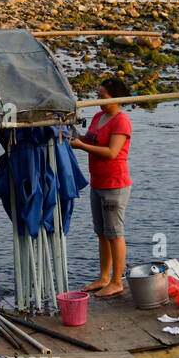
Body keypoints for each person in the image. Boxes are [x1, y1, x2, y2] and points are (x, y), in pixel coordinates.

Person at [71, 77, 133, 298]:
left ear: (116, 98)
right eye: (97, 96)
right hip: (97, 182)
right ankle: (104, 277)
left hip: (114, 184)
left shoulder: (121, 121)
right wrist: (74, 137)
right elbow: (90, 140)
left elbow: (111, 152)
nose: (99, 101)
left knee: (115, 233)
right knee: (101, 233)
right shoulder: (99, 117)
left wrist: (81, 146)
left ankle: (117, 281)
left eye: (103, 97)